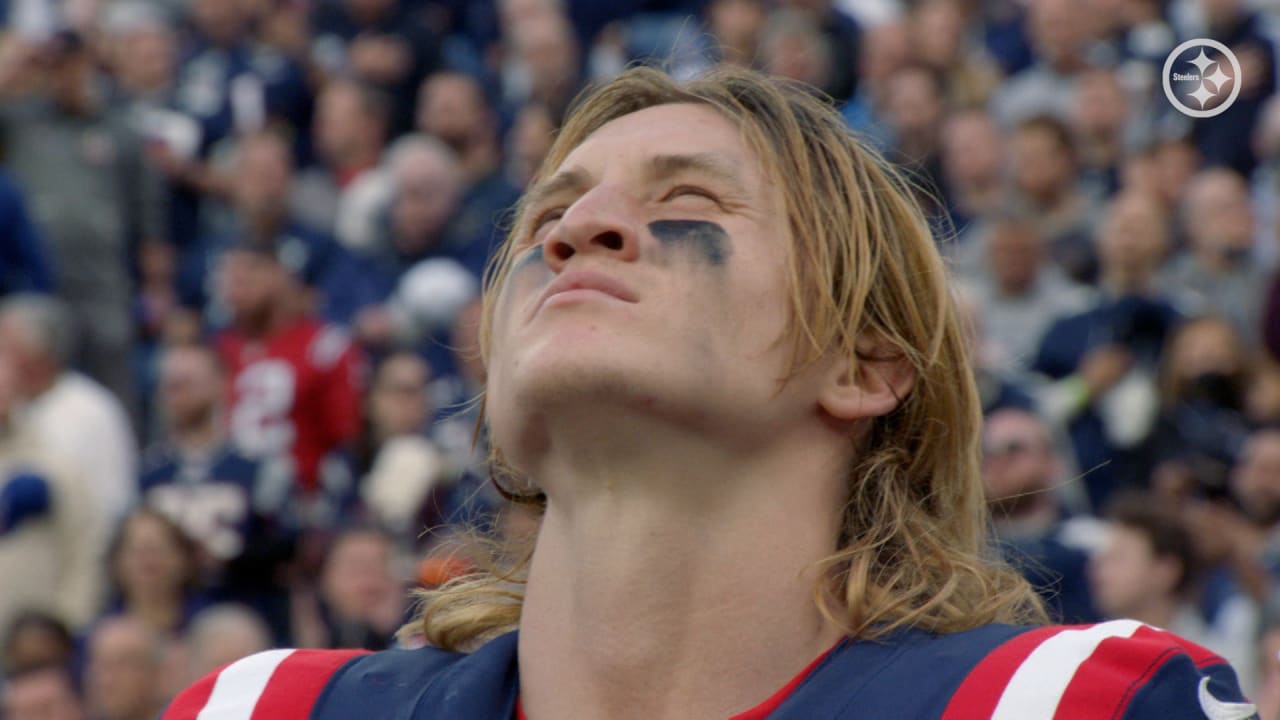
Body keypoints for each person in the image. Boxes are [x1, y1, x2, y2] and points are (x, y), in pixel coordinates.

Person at [165, 66, 1252, 720]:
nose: (571, 231)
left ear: (863, 365)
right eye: (552, 210)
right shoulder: (262, 708)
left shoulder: (1070, 705)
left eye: (686, 200)